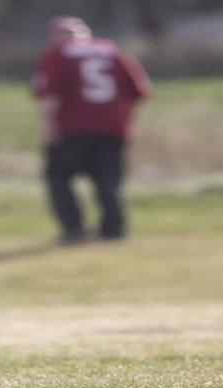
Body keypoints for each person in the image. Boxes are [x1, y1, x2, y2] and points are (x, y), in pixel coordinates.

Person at [32, 16, 153, 243]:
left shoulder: (58, 54)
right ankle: (113, 230)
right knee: (108, 180)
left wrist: (48, 127)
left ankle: (74, 229)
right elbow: (140, 91)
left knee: (58, 176)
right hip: (113, 127)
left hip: (72, 126)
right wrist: (124, 119)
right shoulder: (112, 50)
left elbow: (50, 95)